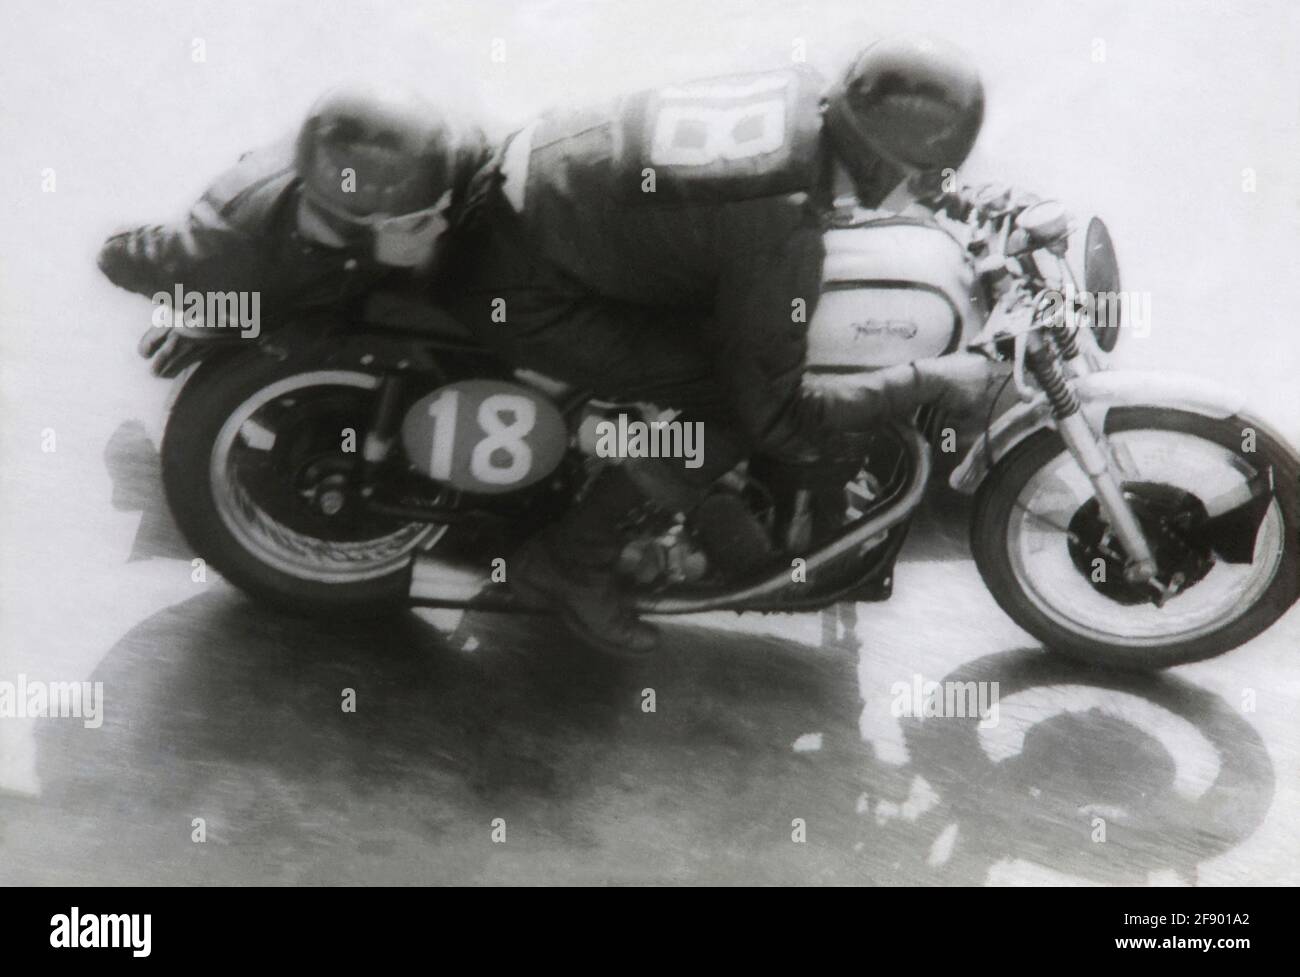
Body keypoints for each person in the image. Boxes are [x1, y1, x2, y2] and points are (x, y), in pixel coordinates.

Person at [443, 34, 1010, 659]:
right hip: (520, 287)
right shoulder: (779, 225)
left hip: (543, 182)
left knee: (738, 349)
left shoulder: (804, 97)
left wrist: (957, 199)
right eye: (923, 174)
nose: (929, 187)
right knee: (730, 408)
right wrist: (929, 379)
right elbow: (779, 417)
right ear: (878, 162)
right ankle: (571, 562)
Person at [98, 84, 490, 375]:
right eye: (418, 222)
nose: (437, 225)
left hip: (335, 257)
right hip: (255, 270)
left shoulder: (440, 155)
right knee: (242, 309)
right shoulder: (225, 252)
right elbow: (117, 255)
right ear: (352, 224)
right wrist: (210, 312)